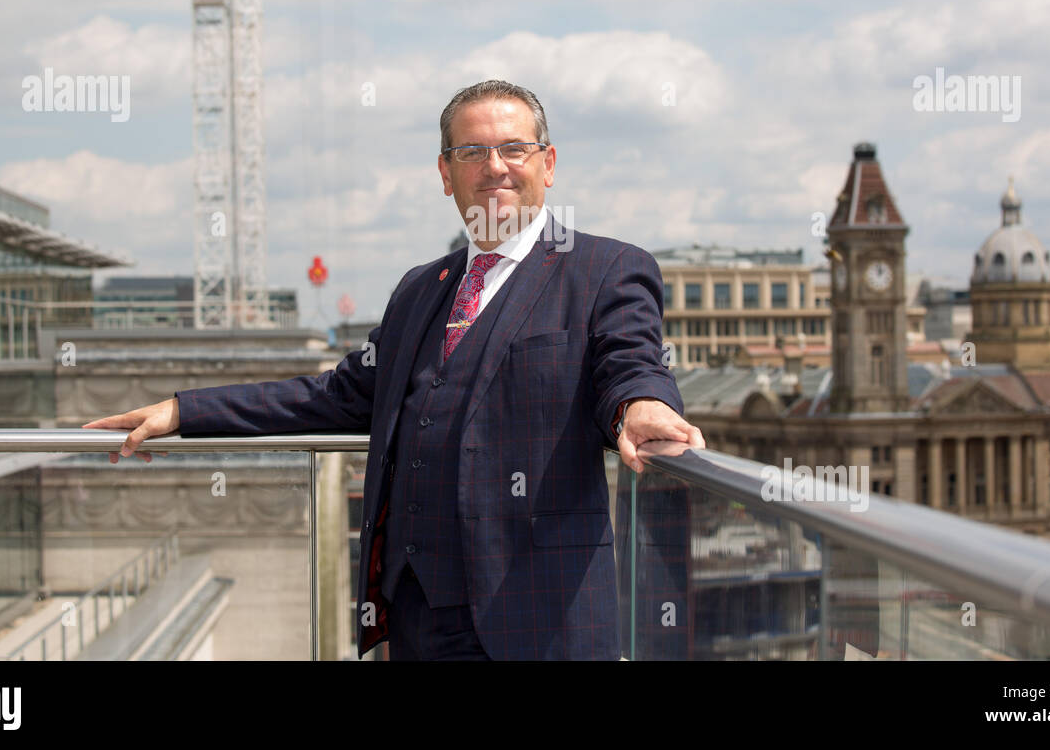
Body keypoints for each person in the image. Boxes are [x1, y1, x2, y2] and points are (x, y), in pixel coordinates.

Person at [84, 79, 704, 660]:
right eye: (471, 151)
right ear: (445, 173)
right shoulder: (421, 289)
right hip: (414, 614)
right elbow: (335, 396)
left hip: (534, 614)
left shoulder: (605, 268)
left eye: (514, 148)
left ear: (548, 162)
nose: (494, 167)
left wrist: (643, 405)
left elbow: (630, 362)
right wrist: (184, 412)